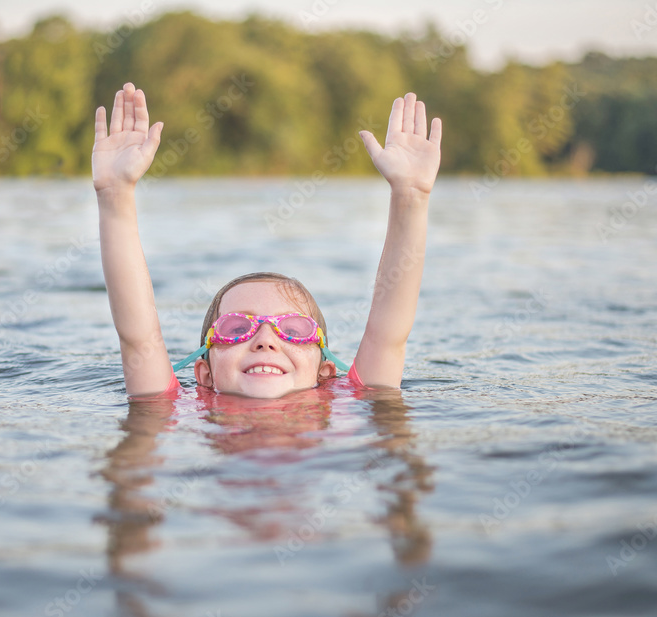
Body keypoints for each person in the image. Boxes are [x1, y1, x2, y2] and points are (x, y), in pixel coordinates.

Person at [93, 82, 441, 399]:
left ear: (325, 372)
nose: (264, 341)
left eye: (293, 329)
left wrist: (410, 197)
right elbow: (138, 336)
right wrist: (115, 195)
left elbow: (388, 334)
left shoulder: (351, 400)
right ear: (204, 374)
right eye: (236, 328)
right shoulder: (172, 406)